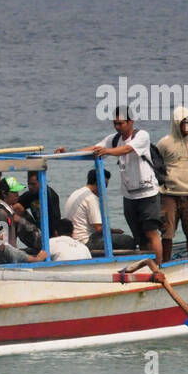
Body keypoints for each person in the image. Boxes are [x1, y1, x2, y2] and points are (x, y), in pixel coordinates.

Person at [73, 105, 163, 262]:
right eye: (115, 123)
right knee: (138, 235)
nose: (117, 127)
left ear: (130, 121)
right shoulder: (114, 139)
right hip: (129, 195)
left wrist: (106, 151)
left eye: (121, 123)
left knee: (151, 232)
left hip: (148, 193)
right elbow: (95, 148)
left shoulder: (141, 136)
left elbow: (127, 149)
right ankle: (147, 266)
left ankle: (160, 267)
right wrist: (71, 152)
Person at [158, 105, 188, 260]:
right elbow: (158, 165)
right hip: (169, 194)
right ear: (177, 123)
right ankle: (165, 263)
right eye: (186, 122)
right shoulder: (164, 143)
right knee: (167, 233)